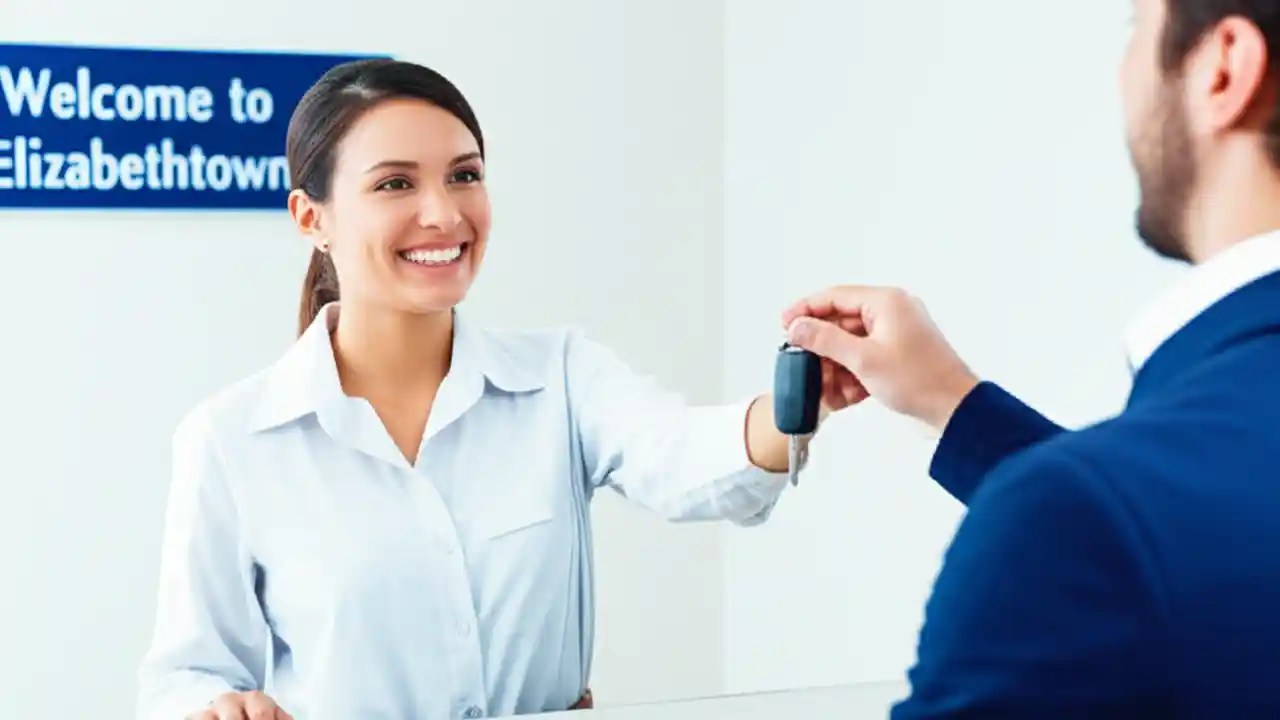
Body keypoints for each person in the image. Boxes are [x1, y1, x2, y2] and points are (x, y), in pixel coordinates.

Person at [136, 59, 851, 720]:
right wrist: (214, 708)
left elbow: (685, 458)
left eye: (464, 175)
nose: (445, 214)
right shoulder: (231, 439)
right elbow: (186, 675)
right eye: (394, 184)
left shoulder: (562, 377)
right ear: (310, 217)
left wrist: (798, 401)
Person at [783, 0, 1280, 717]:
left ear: (1223, 67)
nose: (1121, 73)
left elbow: (1136, 542)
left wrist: (1053, 507)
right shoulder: (1112, 521)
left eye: (1134, 26)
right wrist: (955, 404)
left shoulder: (1069, 530)